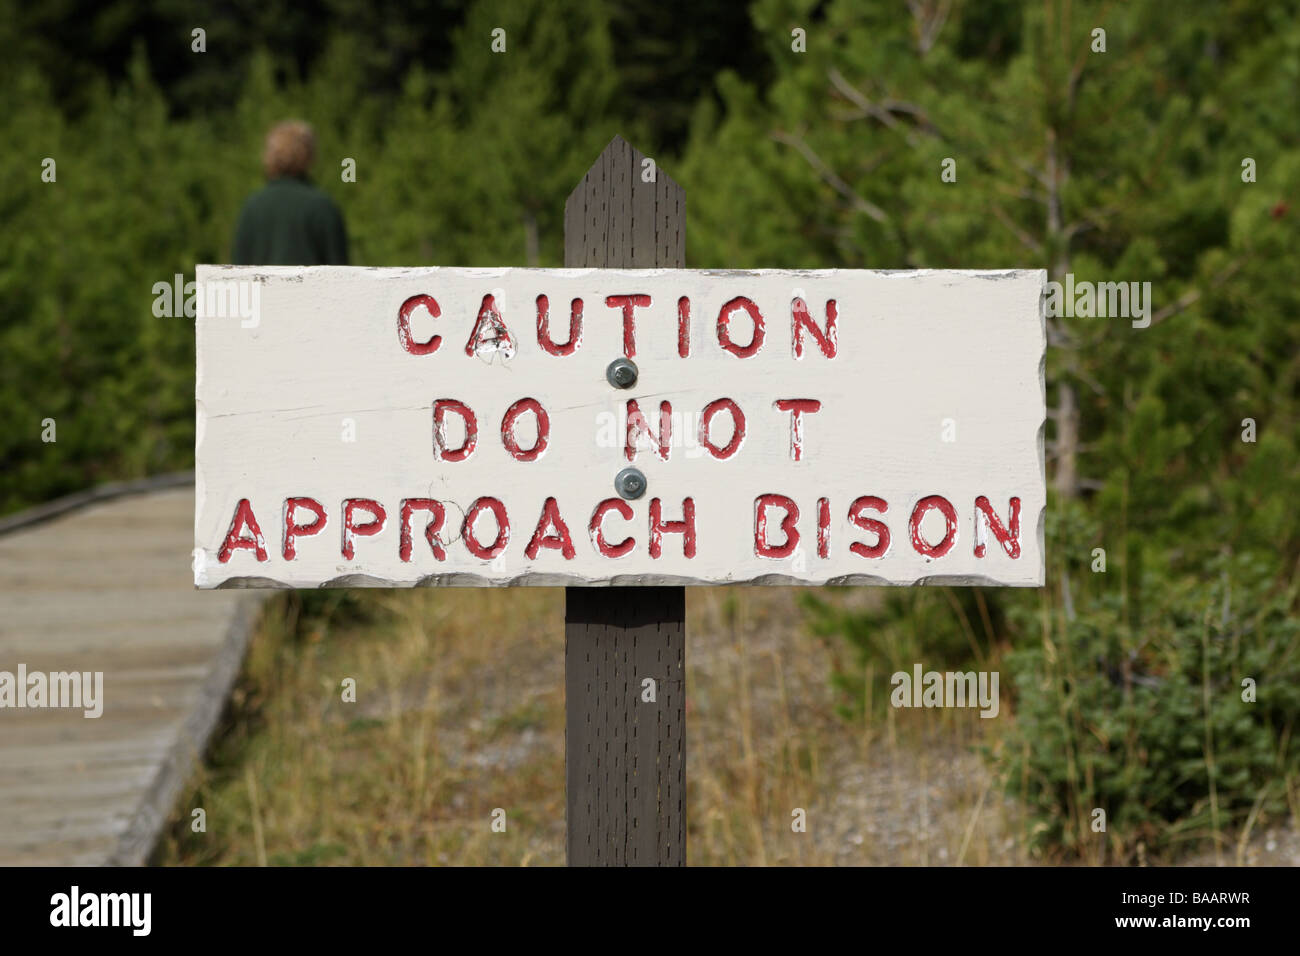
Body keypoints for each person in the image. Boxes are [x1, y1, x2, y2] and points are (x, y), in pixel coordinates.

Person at [232, 120, 348, 265]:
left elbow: (237, 269)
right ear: (309, 156)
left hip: (263, 288)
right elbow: (341, 275)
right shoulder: (323, 207)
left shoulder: (252, 206)